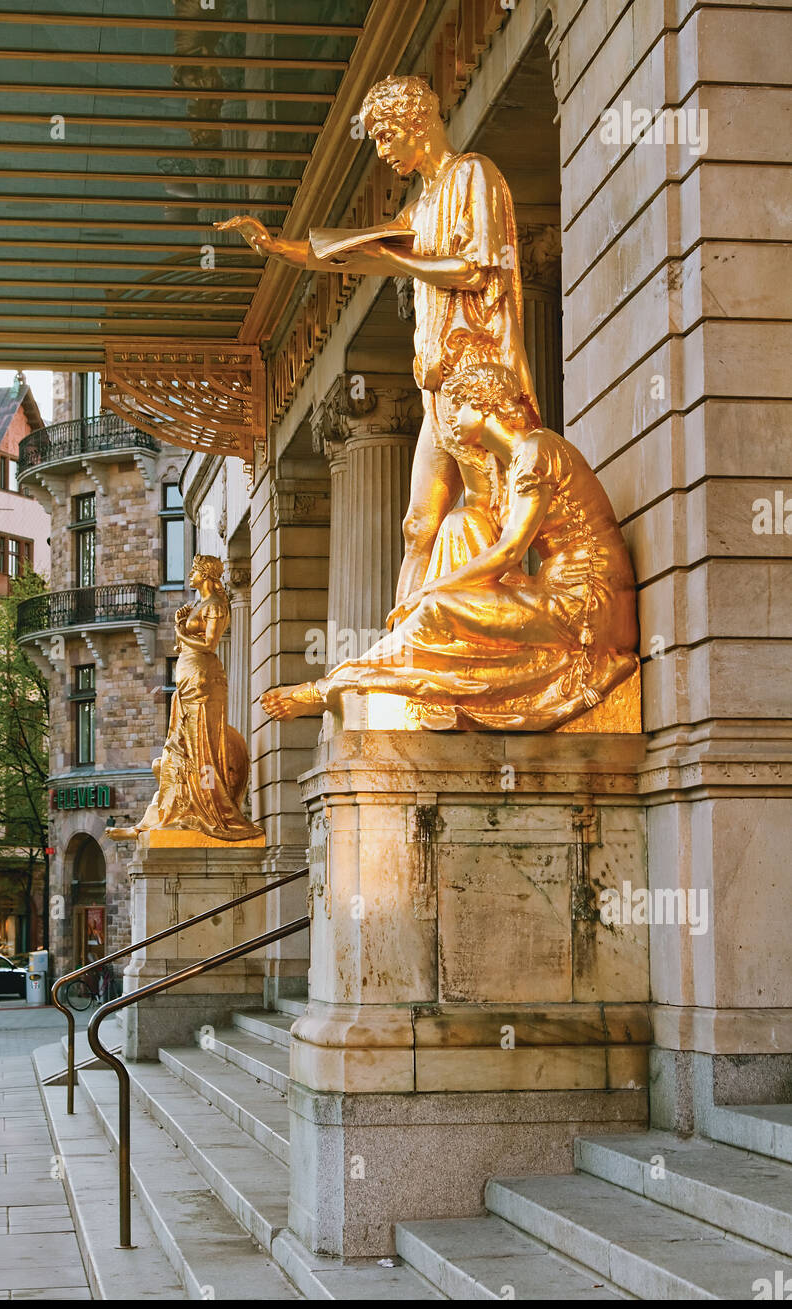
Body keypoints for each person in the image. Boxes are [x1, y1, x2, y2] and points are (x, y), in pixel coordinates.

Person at [214, 74, 539, 613]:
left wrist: (394, 259)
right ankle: (401, 648)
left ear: (417, 122)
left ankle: (497, 623)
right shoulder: (419, 207)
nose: (382, 151)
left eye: (387, 136)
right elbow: (358, 252)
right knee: (418, 524)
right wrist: (279, 248)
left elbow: (477, 270)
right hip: (438, 385)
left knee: (489, 510)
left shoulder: (474, 175)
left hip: (477, 381)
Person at [261, 362, 639, 731]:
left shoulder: (536, 451)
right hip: (553, 593)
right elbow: (489, 542)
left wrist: (429, 590)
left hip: (585, 607)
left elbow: (509, 552)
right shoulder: (508, 467)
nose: (452, 418)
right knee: (460, 525)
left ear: (486, 404)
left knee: (438, 607)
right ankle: (377, 677)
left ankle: (339, 684)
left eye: (460, 406)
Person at [107, 555, 262, 840]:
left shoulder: (216, 605)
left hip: (203, 681)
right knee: (179, 749)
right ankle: (158, 819)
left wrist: (180, 630)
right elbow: (186, 646)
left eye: (194, 570)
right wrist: (182, 625)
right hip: (190, 679)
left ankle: (209, 811)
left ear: (205, 574)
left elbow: (208, 644)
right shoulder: (202, 605)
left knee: (198, 748)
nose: (190, 574)